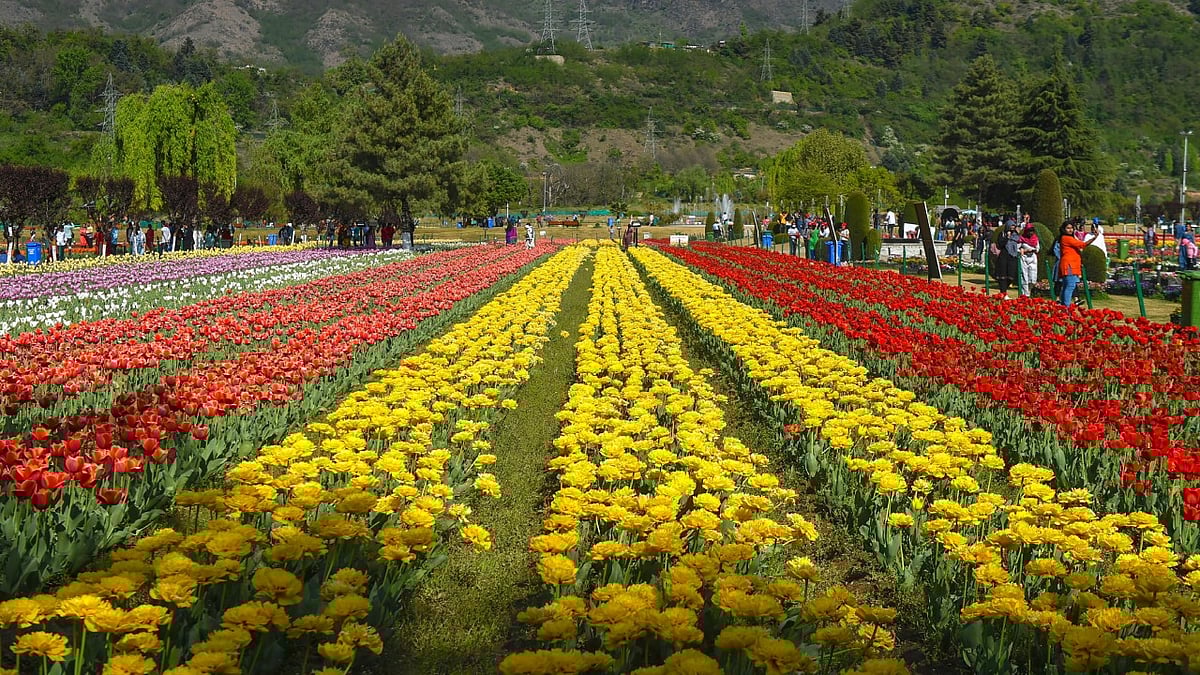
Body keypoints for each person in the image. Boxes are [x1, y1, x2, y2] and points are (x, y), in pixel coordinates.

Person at [1054, 221, 1098, 307]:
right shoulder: (1066, 238)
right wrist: (1094, 237)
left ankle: (1064, 306)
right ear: (1064, 229)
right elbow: (1082, 244)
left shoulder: (1069, 237)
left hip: (1071, 265)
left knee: (1067, 286)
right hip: (1069, 265)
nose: (1070, 230)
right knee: (1070, 286)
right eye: (1068, 228)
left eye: (1071, 228)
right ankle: (1065, 307)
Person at [992, 221, 1020, 296]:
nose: (1012, 228)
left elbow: (1019, 242)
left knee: (1011, 276)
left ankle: (1005, 289)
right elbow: (1000, 244)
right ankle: (1003, 293)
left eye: (1014, 226)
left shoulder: (1016, 235)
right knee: (1003, 276)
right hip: (1004, 256)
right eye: (1011, 226)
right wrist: (1007, 237)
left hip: (1013, 256)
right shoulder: (1002, 234)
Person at [1017, 224, 1040, 298]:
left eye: (1032, 231)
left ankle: (1030, 290)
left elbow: (1038, 248)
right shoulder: (1021, 239)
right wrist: (1022, 250)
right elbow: (1017, 249)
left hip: (1032, 258)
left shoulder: (1035, 239)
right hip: (1024, 258)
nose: (1031, 233)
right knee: (1024, 276)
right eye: (1029, 231)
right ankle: (1025, 294)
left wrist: (1033, 249)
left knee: (1033, 277)